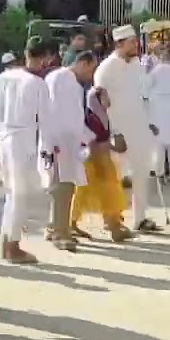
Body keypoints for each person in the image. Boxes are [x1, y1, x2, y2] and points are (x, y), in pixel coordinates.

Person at [95, 25, 163, 233]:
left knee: (142, 173)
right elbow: (99, 104)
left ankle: (140, 218)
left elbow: (143, 95)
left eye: (136, 41)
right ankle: (111, 218)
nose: (136, 45)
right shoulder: (106, 68)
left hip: (140, 127)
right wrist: (112, 132)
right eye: (132, 42)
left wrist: (150, 120)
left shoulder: (137, 65)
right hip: (118, 131)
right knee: (114, 176)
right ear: (119, 44)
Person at [0, 39, 51, 263]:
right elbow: (46, 121)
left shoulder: (4, 77)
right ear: (44, 58)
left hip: (5, 136)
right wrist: (47, 150)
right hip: (23, 139)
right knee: (20, 194)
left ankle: (8, 241)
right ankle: (12, 246)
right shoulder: (37, 84)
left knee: (11, 193)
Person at [43, 50, 96, 252]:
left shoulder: (70, 81)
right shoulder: (60, 79)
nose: (91, 75)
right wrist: (53, 142)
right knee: (61, 188)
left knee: (66, 186)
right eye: (90, 69)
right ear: (82, 63)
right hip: (58, 141)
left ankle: (57, 227)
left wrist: (85, 138)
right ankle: (59, 232)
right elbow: (53, 112)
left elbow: (74, 116)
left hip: (69, 142)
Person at [71, 86, 132, 241]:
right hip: (92, 162)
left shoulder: (103, 116)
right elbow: (91, 142)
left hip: (103, 161)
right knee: (83, 194)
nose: (108, 100)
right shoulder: (91, 118)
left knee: (110, 193)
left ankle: (114, 226)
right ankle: (70, 224)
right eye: (104, 97)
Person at [144, 42, 170, 185]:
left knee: (159, 143)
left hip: (157, 105)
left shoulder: (157, 70)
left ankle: (160, 173)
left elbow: (146, 86)